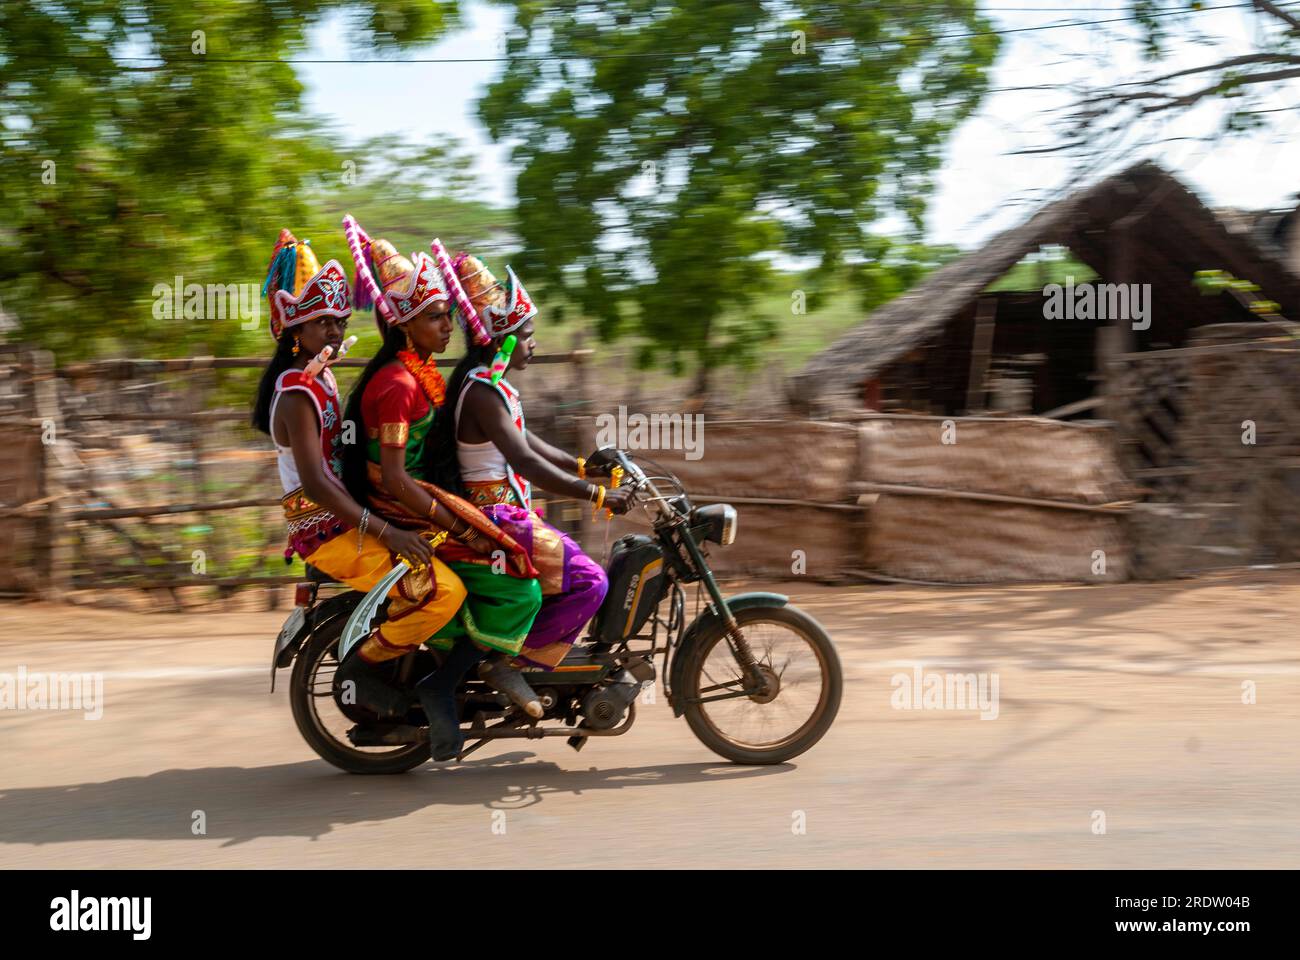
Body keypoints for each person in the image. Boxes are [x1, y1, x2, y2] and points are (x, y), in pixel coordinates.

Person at [342, 224, 544, 759]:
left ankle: (456, 679)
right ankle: (387, 673)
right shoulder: (397, 385)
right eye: (435, 316)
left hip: (415, 494)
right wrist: (457, 525)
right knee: (517, 579)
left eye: (448, 314)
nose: (448, 326)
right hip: (399, 504)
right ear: (404, 323)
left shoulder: (419, 371)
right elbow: (392, 477)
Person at [251, 229, 464, 723]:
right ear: (294, 333)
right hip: (325, 530)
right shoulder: (299, 393)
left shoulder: (319, 378)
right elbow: (319, 482)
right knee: (443, 590)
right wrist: (387, 529)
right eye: (320, 322)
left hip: (347, 519)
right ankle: (363, 670)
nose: (332, 331)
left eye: (338, 321)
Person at [429, 252, 632, 674]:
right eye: (526, 335)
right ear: (501, 338)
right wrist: (597, 495)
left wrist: (584, 467)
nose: (532, 343)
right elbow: (523, 459)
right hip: (496, 517)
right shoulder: (482, 391)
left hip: (511, 513)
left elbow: (531, 444)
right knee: (591, 582)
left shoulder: (494, 388)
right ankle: (511, 662)